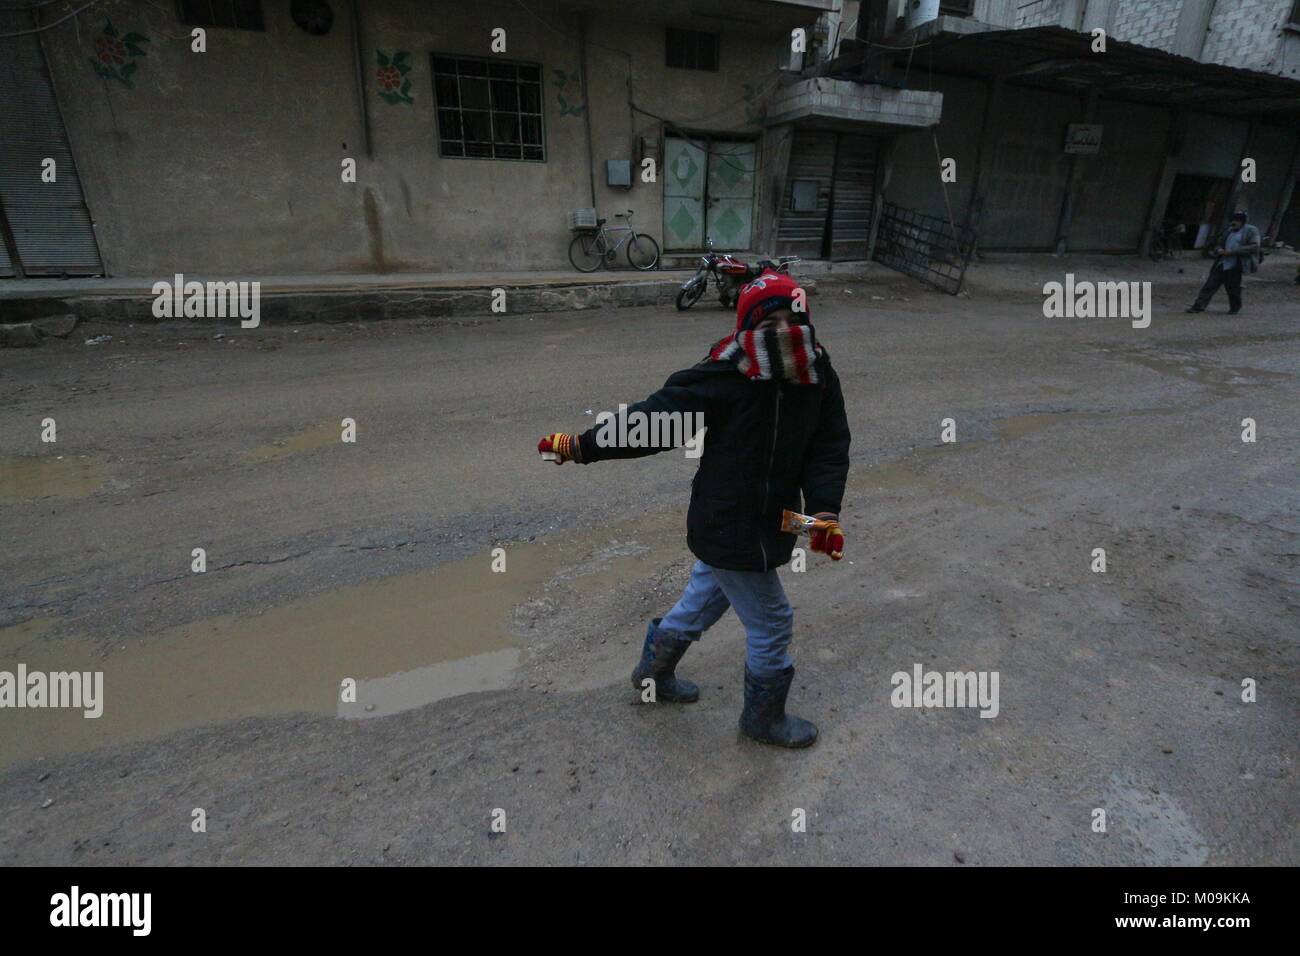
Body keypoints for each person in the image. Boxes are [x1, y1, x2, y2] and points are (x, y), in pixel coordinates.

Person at [537, 271, 850, 748]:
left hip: (774, 521)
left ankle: (651, 676)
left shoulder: (817, 374)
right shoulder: (726, 373)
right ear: (748, 328)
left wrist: (823, 513)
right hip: (727, 523)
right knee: (773, 622)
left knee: (700, 602)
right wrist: (582, 446)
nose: (784, 331)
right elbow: (653, 421)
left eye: (793, 318)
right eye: (770, 323)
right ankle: (762, 720)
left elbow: (827, 448)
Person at [1187, 211, 1261, 315]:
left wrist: (1233, 251)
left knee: (1233, 289)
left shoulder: (1251, 231)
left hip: (1235, 265)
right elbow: (1219, 243)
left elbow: (1254, 247)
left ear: (1242, 222)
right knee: (1210, 285)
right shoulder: (1229, 231)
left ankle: (1235, 307)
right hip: (1222, 263)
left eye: (1236, 221)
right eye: (1232, 221)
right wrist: (1219, 250)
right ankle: (1198, 306)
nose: (1234, 223)